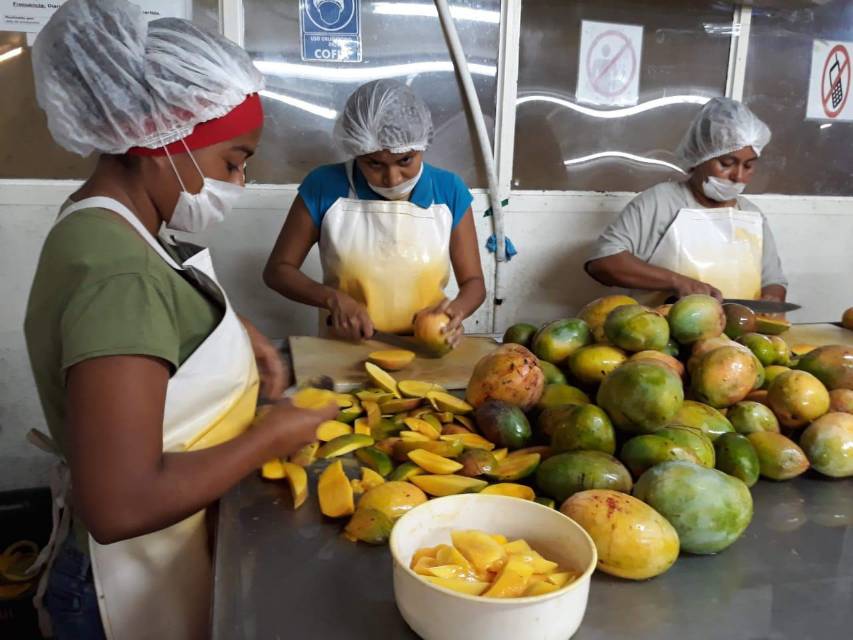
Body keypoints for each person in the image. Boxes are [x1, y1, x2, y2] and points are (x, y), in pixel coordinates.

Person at [24, 2, 338, 639]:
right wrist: (272, 436)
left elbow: (152, 308)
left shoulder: (104, 219)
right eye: (232, 161)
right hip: (126, 584)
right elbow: (119, 504)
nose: (239, 182)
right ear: (163, 134)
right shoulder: (120, 271)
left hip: (164, 554)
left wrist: (232, 331)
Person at [263, 79, 486, 345]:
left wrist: (456, 310)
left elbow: (474, 282)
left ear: (422, 145)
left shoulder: (449, 189)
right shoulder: (323, 185)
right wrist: (332, 299)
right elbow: (278, 270)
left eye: (405, 160)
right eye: (374, 163)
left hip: (427, 347)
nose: (392, 178)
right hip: (343, 346)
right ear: (356, 151)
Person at [585, 97, 787, 304]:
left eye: (748, 166)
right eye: (727, 163)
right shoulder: (661, 201)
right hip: (660, 331)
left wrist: (772, 298)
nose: (738, 176)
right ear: (701, 156)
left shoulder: (751, 215)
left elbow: (774, 281)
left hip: (734, 336)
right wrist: (676, 281)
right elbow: (603, 263)